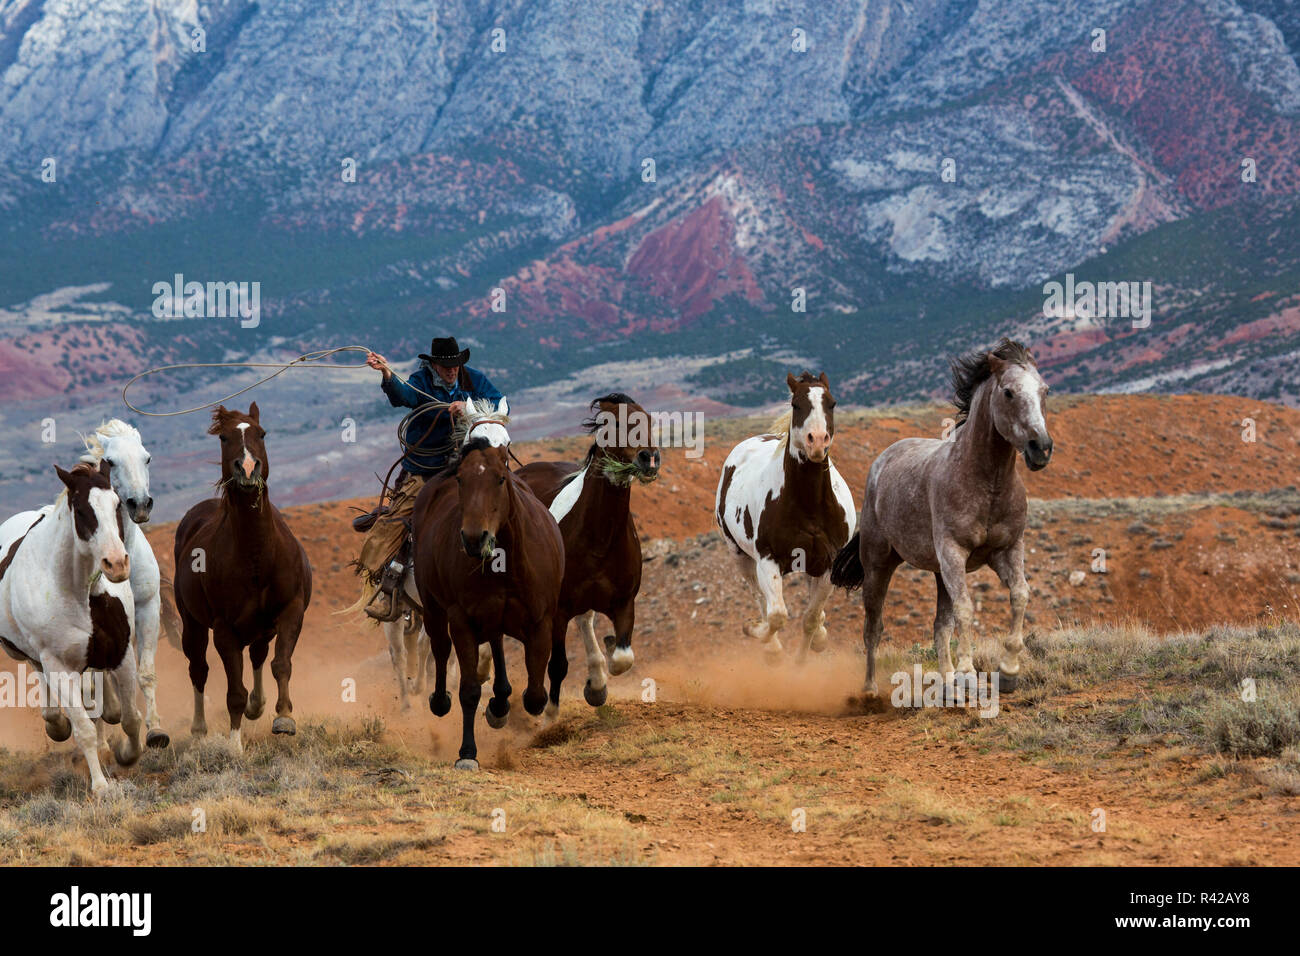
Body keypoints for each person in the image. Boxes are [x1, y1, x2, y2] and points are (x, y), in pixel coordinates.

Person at [354, 336, 505, 621]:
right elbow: (404, 396)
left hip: (464, 466)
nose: (452, 370)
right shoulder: (420, 380)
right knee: (400, 519)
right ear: (433, 364)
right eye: (446, 365)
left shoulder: (473, 380)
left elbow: (500, 403)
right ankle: (388, 587)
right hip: (425, 467)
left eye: (456, 365)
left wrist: (467, 407)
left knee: (499, 502)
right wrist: (387, 372)